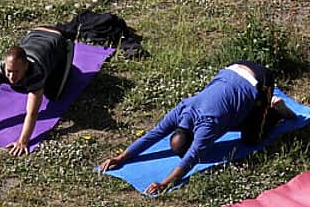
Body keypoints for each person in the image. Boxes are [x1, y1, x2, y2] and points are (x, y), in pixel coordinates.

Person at [99, 61, 296, 194]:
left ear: (193, 137)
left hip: (259, 80)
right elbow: (154, 134)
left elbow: (191, 158)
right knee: (231, 117)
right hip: (231, 69)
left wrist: (165, 183)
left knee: (252, 139)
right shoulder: (181, 110)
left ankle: (275, 111)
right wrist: (121, 157)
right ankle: (248, 111)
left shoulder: (206, 127)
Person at [0, 27, 76, 155]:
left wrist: (23, 141)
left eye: (16, 72)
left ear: (26, 66)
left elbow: (32, 113)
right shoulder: (0, 68)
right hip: (35, 32)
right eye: (9, 71)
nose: (11, 76)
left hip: (58, 40)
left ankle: (67, 46)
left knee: (55, 95)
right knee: (19, 84)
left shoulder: (36, 72)